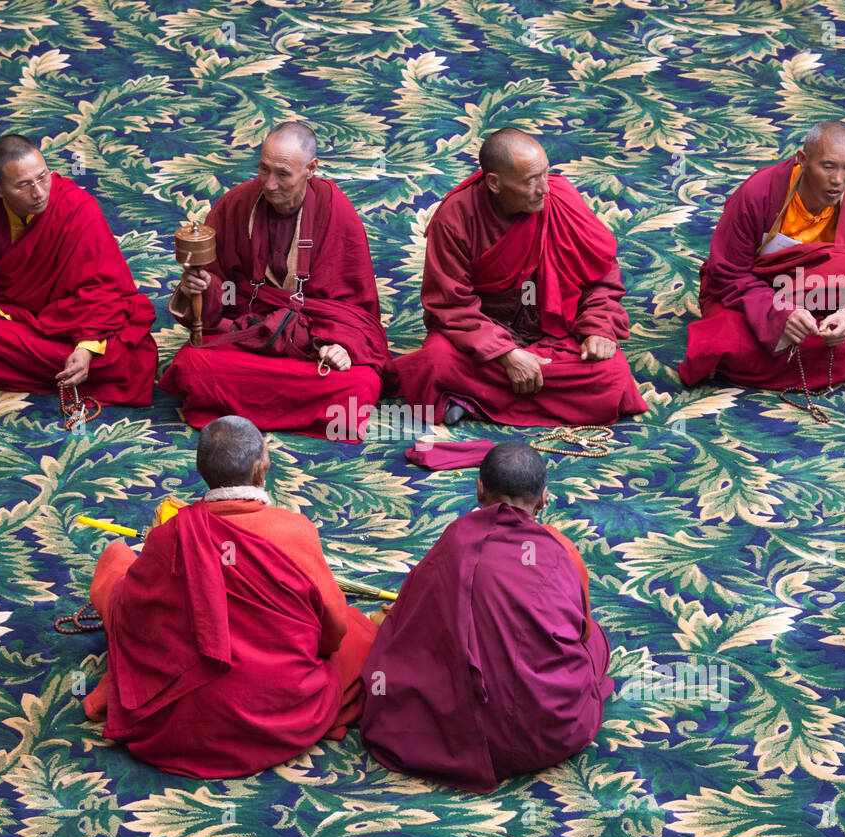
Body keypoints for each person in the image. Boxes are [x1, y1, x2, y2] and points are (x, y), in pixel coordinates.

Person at [82, 415, 379, 778]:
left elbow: (136, 617)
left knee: (116, 560)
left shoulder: (171, 536)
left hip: (179, 719)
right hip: (276, 707)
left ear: (199, 468)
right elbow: (332, 631)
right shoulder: (295, 531)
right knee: (361, 633)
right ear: (262, 466)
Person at [360, 440, 615, 793]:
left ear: (479, 489)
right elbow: (581, 632)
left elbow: (415, 617)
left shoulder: (455, 539)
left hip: (448, 735)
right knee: (598, 642)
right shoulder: (561, 552)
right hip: (548, 733)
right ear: (543, 498)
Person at [395, 127, 647, 427]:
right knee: (435, 360)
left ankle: (471, 399)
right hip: (485, 335)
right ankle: (491, 393)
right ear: (494, 183)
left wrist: (599, 327)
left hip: (555, 332)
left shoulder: (561, 199)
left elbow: (601, 271)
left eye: (545, 174)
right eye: (531, 181)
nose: (545, 189)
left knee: (612, 376)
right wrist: (506, 355)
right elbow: (450, 305)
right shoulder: (455, 218)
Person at [158, 122, 392, 442]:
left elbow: (356, 308)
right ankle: (297, 409)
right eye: (263, 169)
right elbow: (218, 284)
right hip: (250, 333)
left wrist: (341, 345)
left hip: (310, 344)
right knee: (191, 364)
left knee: (360, 383)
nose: (269, 184)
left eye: (283, 174)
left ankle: (246, 404)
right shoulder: (237, 204)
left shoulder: (336, 211)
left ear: (311, 169)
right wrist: (199, 287)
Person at [0, 134, 158, 406]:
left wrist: (86, 348)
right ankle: (67, 373)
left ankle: (65, 367)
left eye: (43, 177)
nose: (39, 192)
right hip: (12, 317)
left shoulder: (78, 207)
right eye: (23, 185)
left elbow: (104, 288)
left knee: (130, 357)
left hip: (71, 319)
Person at [678, 120, 845, 389]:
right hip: (756, 299)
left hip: (822, 301)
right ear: (802, 160)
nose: (838, 180)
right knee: (724, 340)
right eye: (828, 166)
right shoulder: (758, 193)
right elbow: (727, 273)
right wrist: (779, 314)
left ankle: (806, 349)